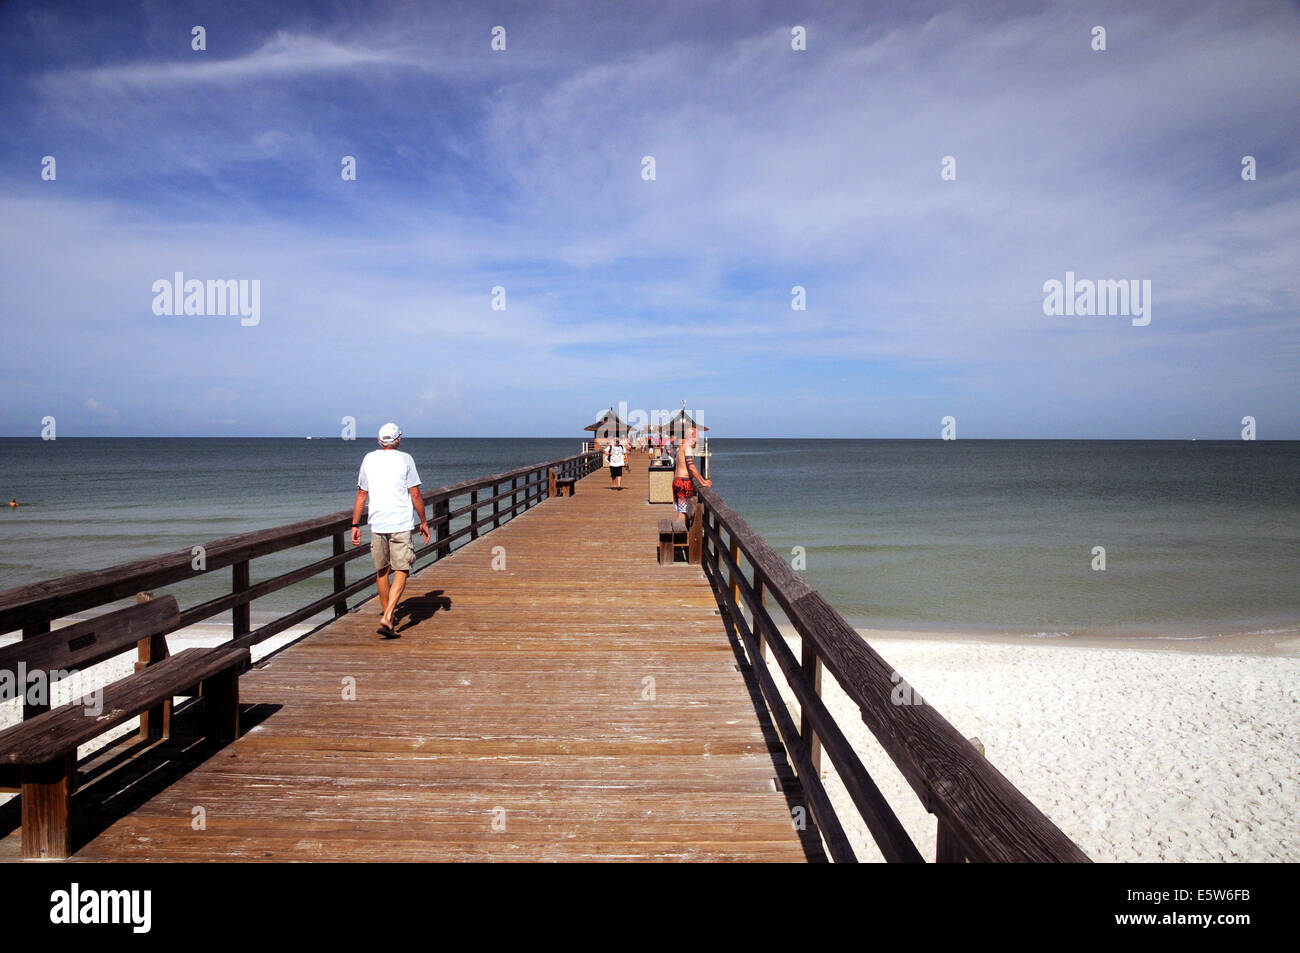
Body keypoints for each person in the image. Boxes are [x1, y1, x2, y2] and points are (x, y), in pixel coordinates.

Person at [350, 423, 429, 638]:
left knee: (382, 570)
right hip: (401, 523)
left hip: (377, 523)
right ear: (399, 440)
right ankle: (387, 616)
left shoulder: (368, 459)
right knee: (402, 569)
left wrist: (355, 524)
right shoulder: (406, 459)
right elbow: (415, 494)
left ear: (378, 440)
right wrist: (423, 520)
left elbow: (361, 494)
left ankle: (389, 616)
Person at [673, 427, 710, 514]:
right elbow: (691, 467)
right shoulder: (687, 448)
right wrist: (703, 482)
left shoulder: (681, 447)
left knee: (681, 511)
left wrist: (702, 480)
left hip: (677, 481)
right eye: (698, 435)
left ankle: (681, 526)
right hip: (683, 482)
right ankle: (681, 527)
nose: (699, 437)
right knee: (684, 513)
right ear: (693, 435)